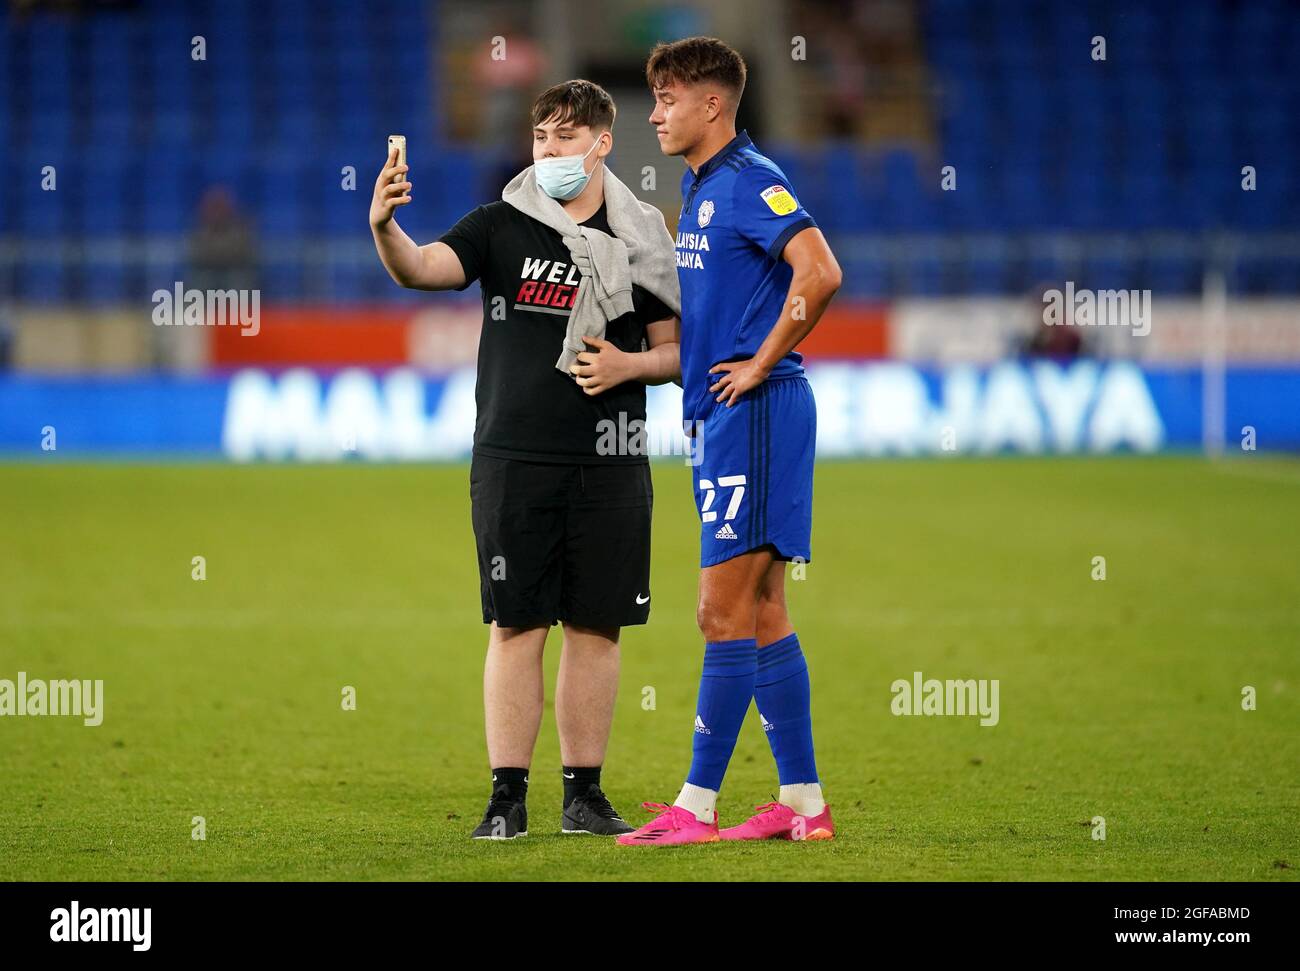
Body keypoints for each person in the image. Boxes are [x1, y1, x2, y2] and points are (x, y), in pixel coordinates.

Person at [369, 79, 681, 840]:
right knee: (516, 625)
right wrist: (385, 227)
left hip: (611, 459)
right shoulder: (499, 223)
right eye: (541, 137)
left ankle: (584, 796)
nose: (549, 151)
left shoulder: (644, 235)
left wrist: (629, 367)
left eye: (565, 138)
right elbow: (423, 269)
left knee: (597, 627)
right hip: (514, 457)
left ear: (602, 144)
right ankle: (506, 798)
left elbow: (675, 352)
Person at [618, 37, 843, 846]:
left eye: (667, 99)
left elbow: (820, 272)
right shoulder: (701, 185)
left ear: (712, 104)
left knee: (720, 611)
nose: (655, 114)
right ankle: (803, 803)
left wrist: (760, 361)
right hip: (722, 418)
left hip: (757, 413)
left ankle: (697, 806)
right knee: (763, 608)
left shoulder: (752, 181)